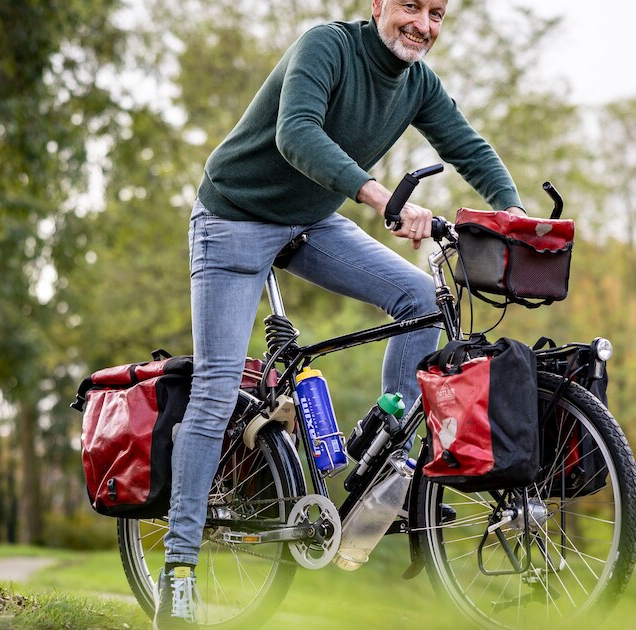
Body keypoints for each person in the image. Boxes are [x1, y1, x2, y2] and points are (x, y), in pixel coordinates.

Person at [155, 0, 525, 626]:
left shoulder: (417, 83)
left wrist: (512, 215)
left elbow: (470, 148)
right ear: (379, 4)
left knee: (419, 299)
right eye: (410, 6)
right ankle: (180, 570)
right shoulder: (325, 47)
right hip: (232, 219)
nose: (423, 25)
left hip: (308, 221)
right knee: (216, 391)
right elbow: (295, 133)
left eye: (437, 13)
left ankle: (389, 461)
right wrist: (380, 195)